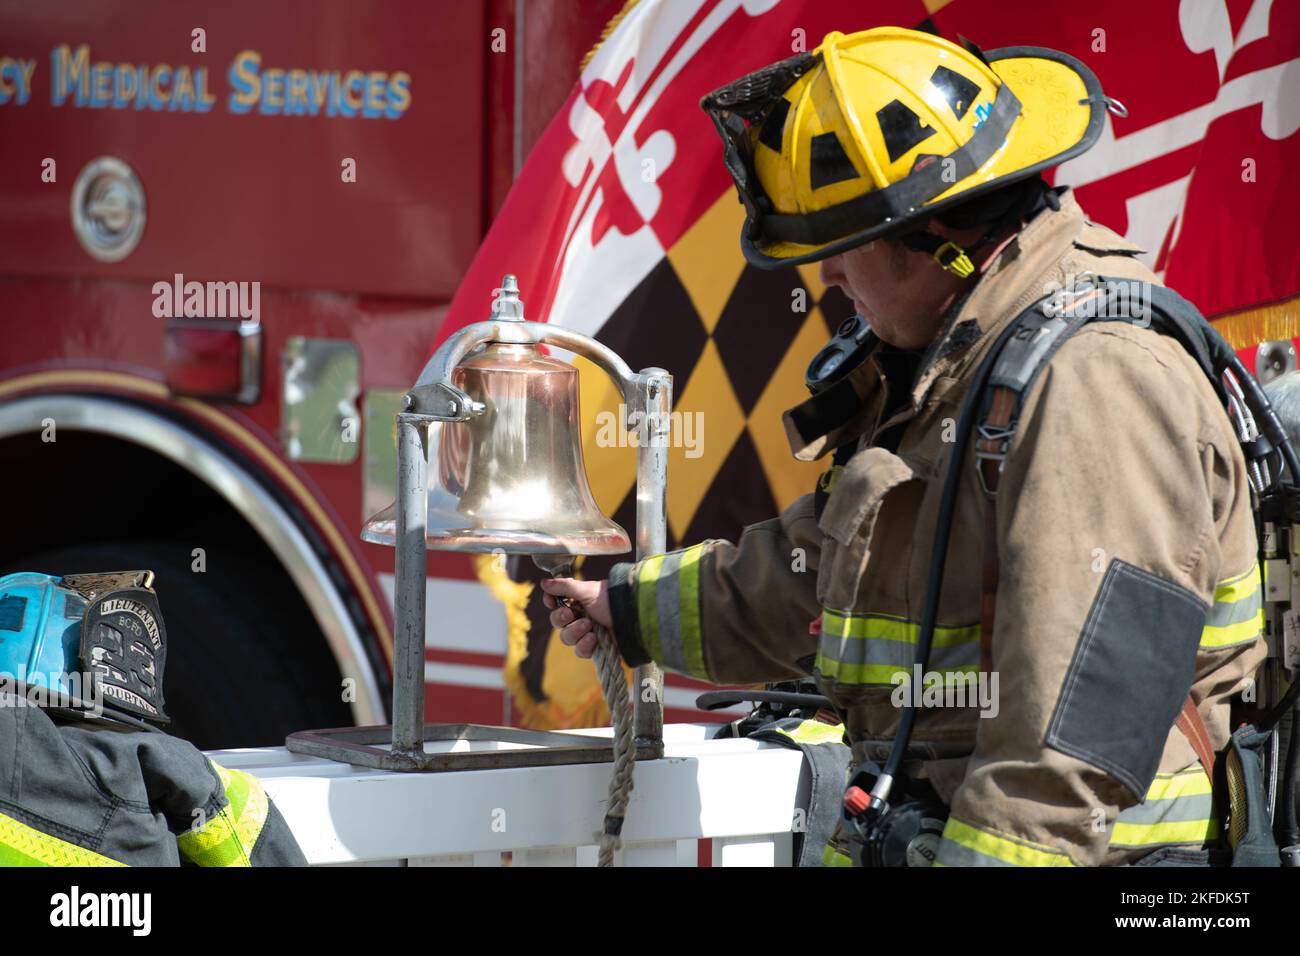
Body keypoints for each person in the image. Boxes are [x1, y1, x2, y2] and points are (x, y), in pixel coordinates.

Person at [542, 26, 1265, 866]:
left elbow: (1059, 768)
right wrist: (630, 609)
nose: (827, 280)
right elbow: (835, 564)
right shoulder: (965, 356)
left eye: (839, 250)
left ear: (936, 237)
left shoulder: (1094, 382)